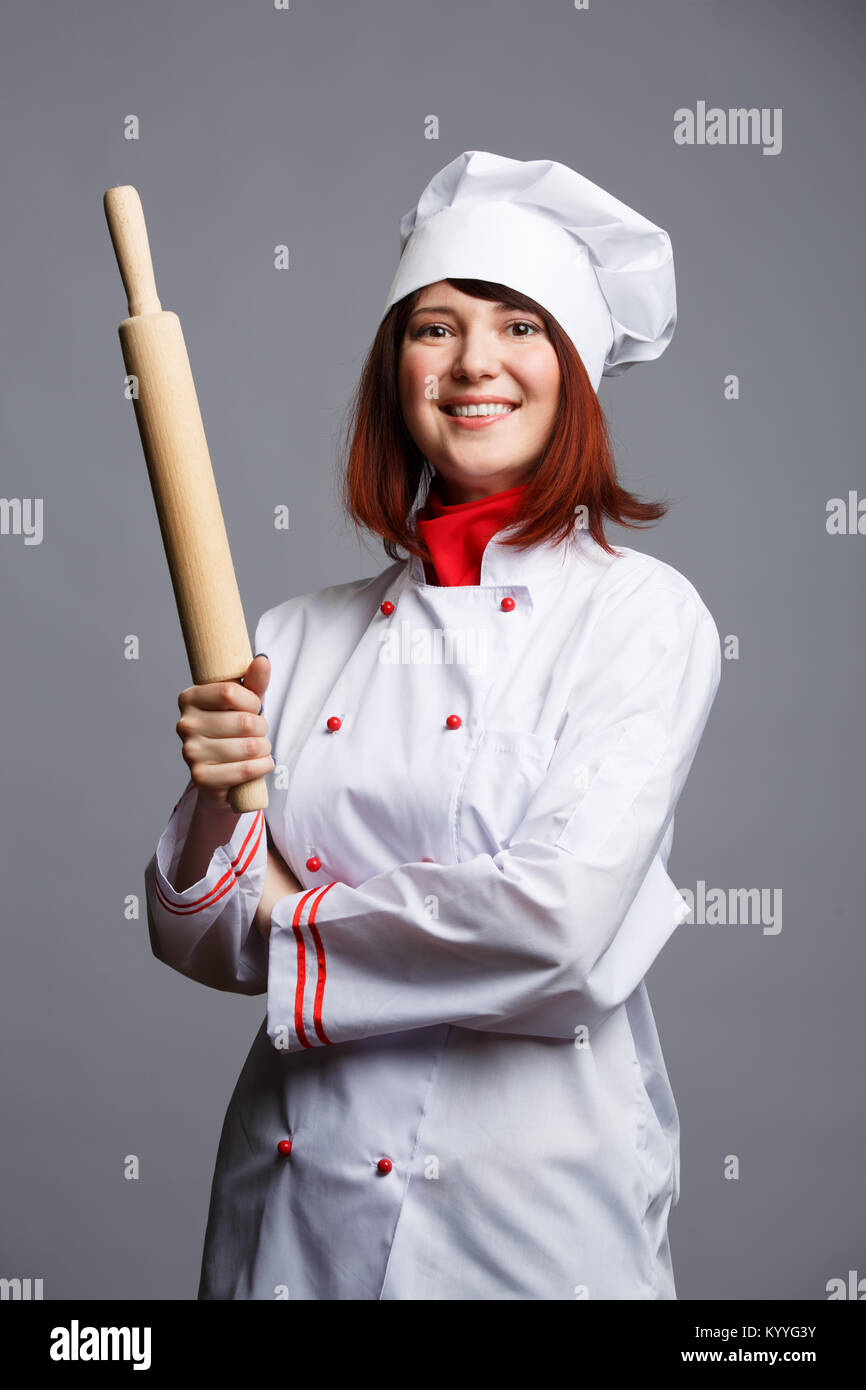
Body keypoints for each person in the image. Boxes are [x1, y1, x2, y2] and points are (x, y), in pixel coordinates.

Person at [144, 150, 722, 1300]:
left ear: (572, 372)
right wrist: (218, 801)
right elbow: (201, 943)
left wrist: (288, 916)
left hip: (528, 1221)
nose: (474, 365)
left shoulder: (638, 617)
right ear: (394, 371)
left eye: (519, 326)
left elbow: (549, 924)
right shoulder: (295, 633)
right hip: (289, 1207)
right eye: (434, 327)